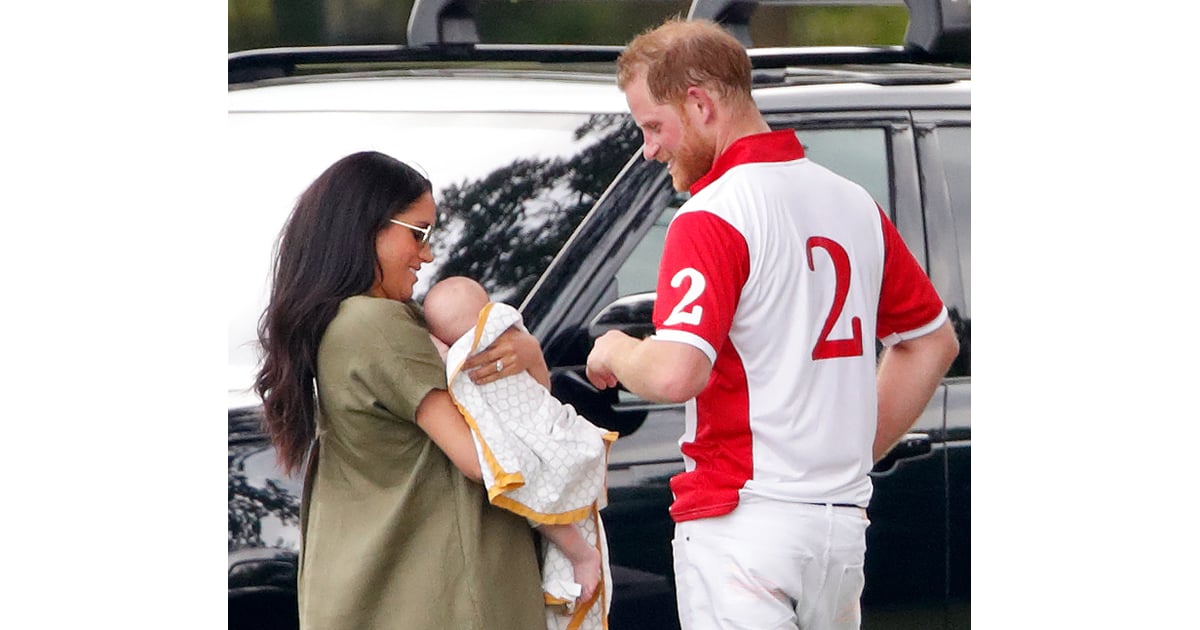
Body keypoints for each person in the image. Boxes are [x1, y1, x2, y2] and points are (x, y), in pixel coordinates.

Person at [584, 19, 961, 630]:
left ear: (700, 103)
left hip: (744, 525)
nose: (650, 149)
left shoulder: (711, 213)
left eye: (654, 127)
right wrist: (845, 455)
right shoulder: (852, 202)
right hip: (838, 529)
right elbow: (931, 342)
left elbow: (680, 371)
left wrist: (616, 350)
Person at [254, 151, 550, 630]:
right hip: (441, 601)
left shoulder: (341, 324)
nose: (428, 254)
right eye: (418, 233)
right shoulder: (378, 324)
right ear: (367, 227)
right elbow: (488, 459)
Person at [424, 275, 615, 630]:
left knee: (537, 493)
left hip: (540, 446)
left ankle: (581, 556)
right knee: (543, 495)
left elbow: (535, 395)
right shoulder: (503, 337)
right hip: (546, 447)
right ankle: (581, 556)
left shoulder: (485, 350)